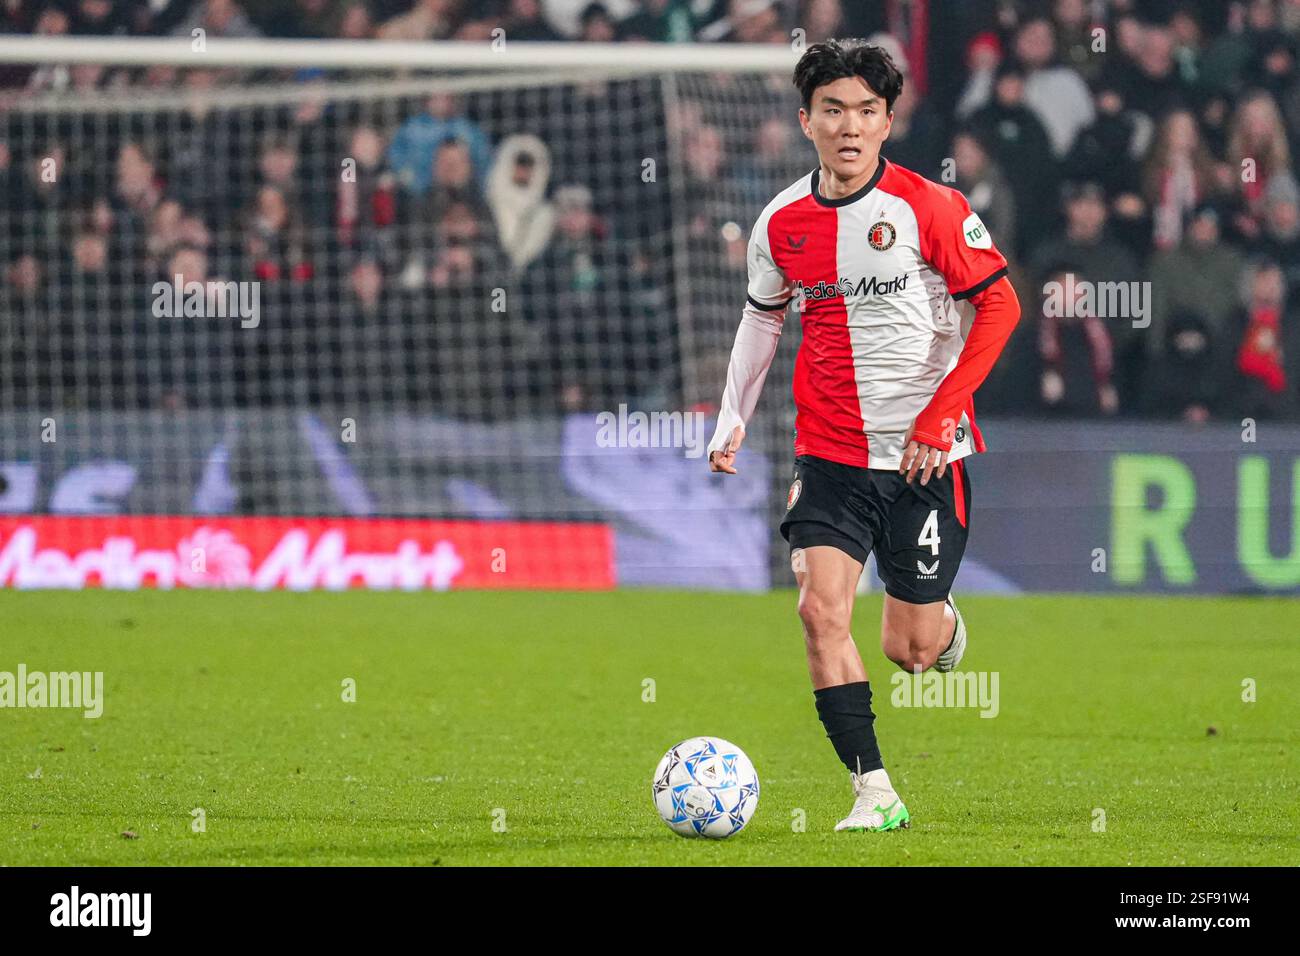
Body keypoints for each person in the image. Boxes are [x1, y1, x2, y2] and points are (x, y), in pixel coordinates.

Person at [706, 39, 1020, 833]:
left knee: (911, 653)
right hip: (830, 454)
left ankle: (940, 625)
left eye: (867, 112)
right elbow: (760, 316)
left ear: (888, 121)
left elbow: (1003, 306)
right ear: (806, 118)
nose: (850, 126)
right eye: (834, 110)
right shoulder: (780, 222)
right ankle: (873, 792)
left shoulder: (931, 207)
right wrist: (731, 412)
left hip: (924, 455)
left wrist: (941, 411)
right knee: (818, 612)